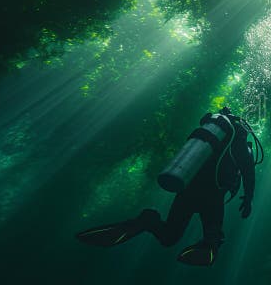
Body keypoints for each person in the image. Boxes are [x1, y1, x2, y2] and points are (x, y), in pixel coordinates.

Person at [77, 107, 257, 266]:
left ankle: (147, 220)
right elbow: (248, 172)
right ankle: (210, 240)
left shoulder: (212, 136)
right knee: (212, 236)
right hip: (213, 197)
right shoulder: (239, 143)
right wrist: (248, 198)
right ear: (244, 130)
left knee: (169, 237)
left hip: (188, 190)